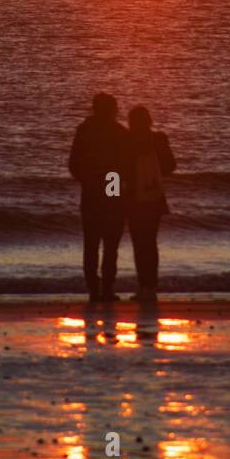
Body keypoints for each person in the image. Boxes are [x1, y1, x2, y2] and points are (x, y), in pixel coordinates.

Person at [68, 93, 131, 302]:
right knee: (109, 243)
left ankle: (95, 289)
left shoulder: (84, 131)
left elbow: (74, 164)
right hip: (109, 189)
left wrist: (88, 180)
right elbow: (126, 166)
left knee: (92, 243)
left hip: (92, 191)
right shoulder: (119, 132)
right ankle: (105, 288)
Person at [125, 105, 176, 300]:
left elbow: (118, 170)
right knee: (151, 243)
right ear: (149, 120)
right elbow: (171, 165)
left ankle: (143, 286)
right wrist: (153, 174)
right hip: (154, 197)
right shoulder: (159, 139)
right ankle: (151, 287)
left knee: (139, 243)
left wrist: (111, 194)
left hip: (132, 198)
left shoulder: (126, 141)